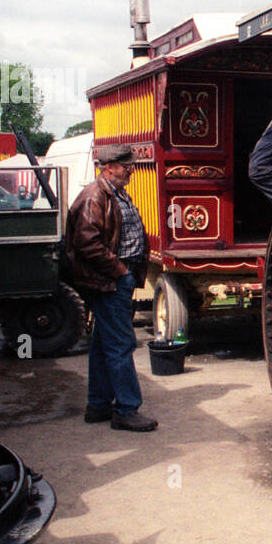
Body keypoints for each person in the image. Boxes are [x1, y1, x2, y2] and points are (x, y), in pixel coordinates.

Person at [66, 143, 157, 432]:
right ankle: (127, 409)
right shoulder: (94, 196)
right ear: (108, 168)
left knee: (104, 344)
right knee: (121, 344)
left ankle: (99, 405)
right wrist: (119, 271)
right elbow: (87, 243)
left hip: (116, 278)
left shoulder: (113, 193)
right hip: (110, 280)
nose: (131, 169)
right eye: (125, 165)